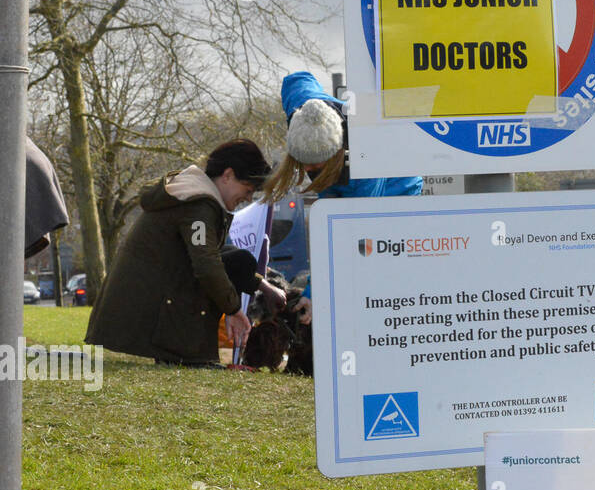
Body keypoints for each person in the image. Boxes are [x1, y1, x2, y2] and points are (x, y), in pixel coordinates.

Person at [85, 139, 274, 366]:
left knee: (234, 262)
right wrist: (233, 309)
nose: (248, 198)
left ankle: (190, 353)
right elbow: (206, 265)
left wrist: (260, 283)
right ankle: (186, 354)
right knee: (214, 274)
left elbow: (219, 254)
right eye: (248, 189)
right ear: (228, 175)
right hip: (146, 315)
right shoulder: (199, 206)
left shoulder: (192, 196)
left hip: (137, 307)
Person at [263, 71, 424, 322]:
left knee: (368, 259)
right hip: (343, 173)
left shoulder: (367, 169)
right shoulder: (302, 109)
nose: (308, 172)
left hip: (396, 185)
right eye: (304, 163)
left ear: (336, 153)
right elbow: (297, 78)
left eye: (316, 167)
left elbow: (348, 238)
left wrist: (314, 293)